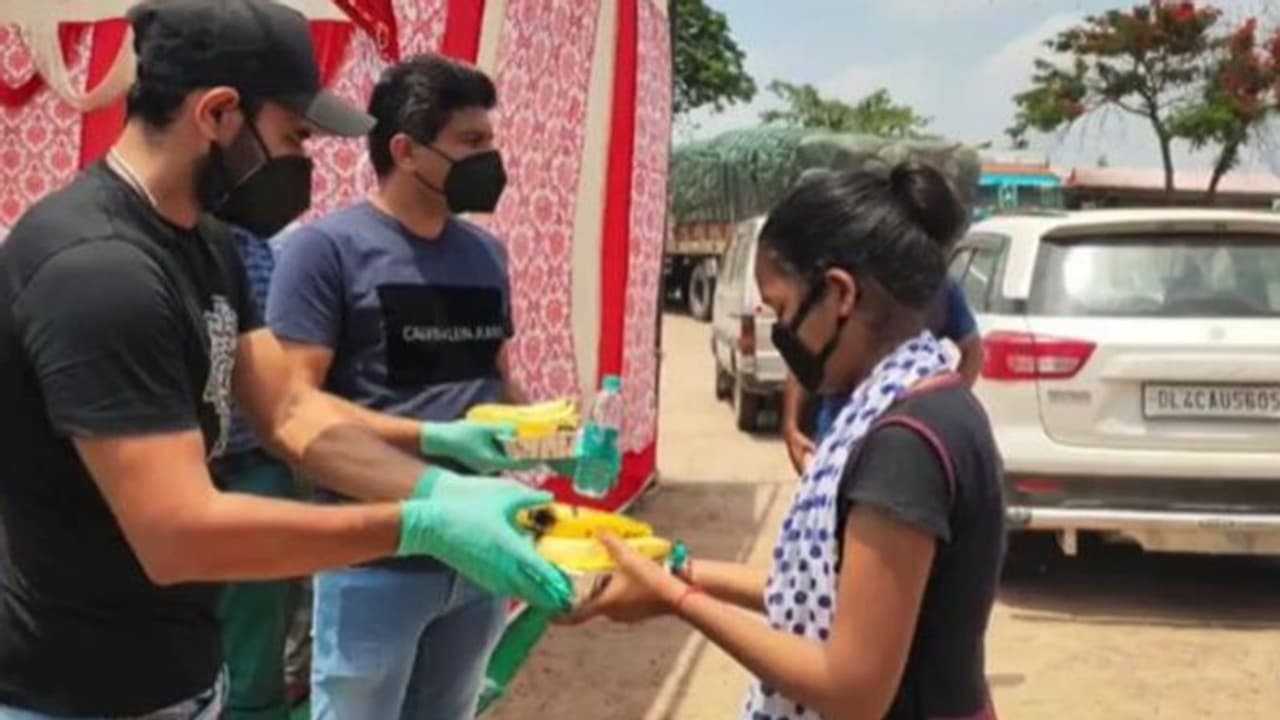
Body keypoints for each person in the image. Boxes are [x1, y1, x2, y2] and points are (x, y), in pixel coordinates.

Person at [0, 2, 571, 719]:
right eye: (295, 135)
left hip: (180, 670)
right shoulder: (99, 271)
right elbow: (177, 534)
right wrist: (415, 525)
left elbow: (291, 412)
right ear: (217, 114)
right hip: (78, 694)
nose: (307, 159)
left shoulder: (207, 244)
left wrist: (442, 488)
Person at [567, 164, 1005, 720]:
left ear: (840, 294)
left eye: (781, 311)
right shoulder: (932, 398)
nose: (782, 334)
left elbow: (851, 689)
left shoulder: (903, 446)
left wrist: (678, 600)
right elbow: (816, 592)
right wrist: (673, 570)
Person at [266, 54, 530, 720]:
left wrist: (542, 438)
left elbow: (495, 376)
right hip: (373, 556)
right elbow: (294, 404)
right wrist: (436, 439)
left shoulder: (486, 255)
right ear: (406, 150)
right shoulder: (324, 251)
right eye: (472, 143)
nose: (489, 159)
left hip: (476, 559)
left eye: (490, 143)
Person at [215, 224, 302, 720]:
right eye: (293, 139)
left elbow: (289, 386)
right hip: (164, 463)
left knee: (256, 624)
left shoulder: (272, 252)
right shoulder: (126, 250)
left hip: (254, 459)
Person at [782, 275, 984, 475]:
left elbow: (973, 353)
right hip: (839, 430)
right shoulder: (850, 279)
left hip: (902, 438)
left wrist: (941, 409)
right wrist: (791, 426)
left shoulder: (938, 286)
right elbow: (807, 351)